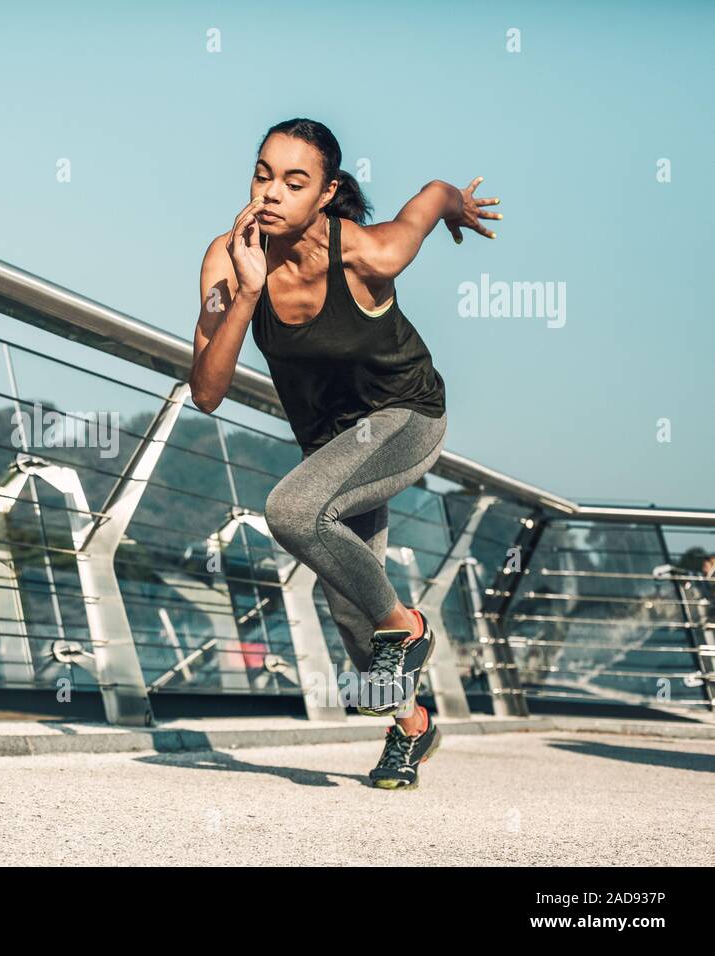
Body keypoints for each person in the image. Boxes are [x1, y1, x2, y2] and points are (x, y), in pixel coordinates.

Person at [189, 118, 501, 789]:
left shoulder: (369, 253)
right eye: (263, 173)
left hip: (407, 417)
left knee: (294, 512)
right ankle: (411, 727)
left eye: (295, 182)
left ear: (327, 192)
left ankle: (410, 625)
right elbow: (207, 391)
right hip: (336, 446)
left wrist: (457, 202)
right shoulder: (227, 258)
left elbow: (431, 196)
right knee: (350, 613)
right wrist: (246, 292)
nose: (272, 192)